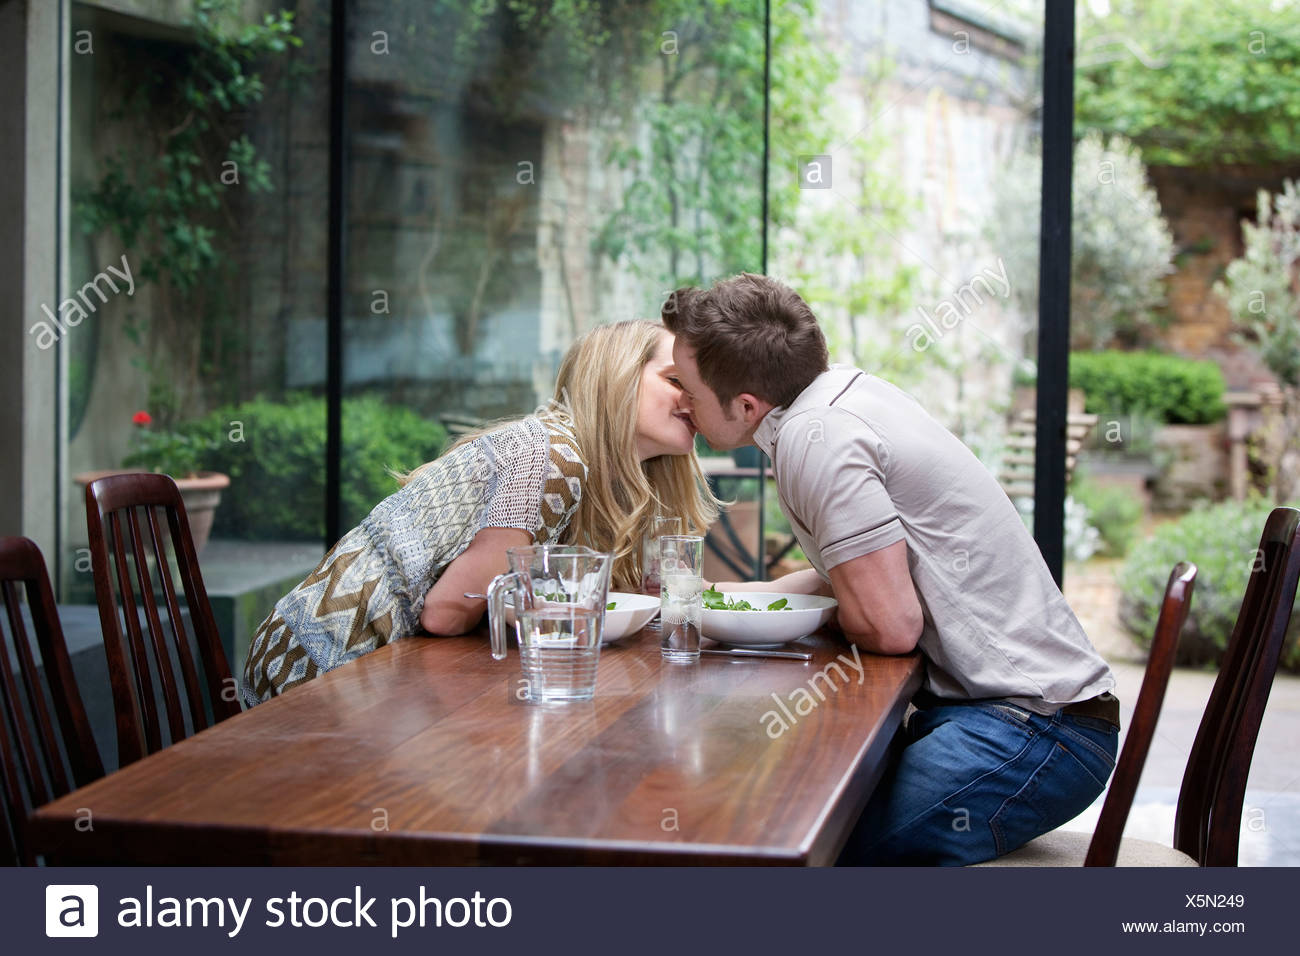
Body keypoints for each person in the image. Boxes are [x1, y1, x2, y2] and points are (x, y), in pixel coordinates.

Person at [663, 273, 1118, 866]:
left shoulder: (814, 437)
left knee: (806, 843)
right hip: (1014, 717)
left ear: (746, 405)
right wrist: (709, 596)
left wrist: (827, 610)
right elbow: (855, 583)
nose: (681, 401)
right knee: (789, 799)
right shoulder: (847, 398)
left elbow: (891, 624)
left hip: (1035, 732)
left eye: (687, 387)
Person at [241, 320, 716, 706]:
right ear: (617, 377)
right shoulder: (551, 454)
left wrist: (786, 591)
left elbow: (656, 595)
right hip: (316, 671)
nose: (692, 400)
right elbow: (447, 612)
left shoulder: (599, 477)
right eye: (676, 381)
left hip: (388, 678)